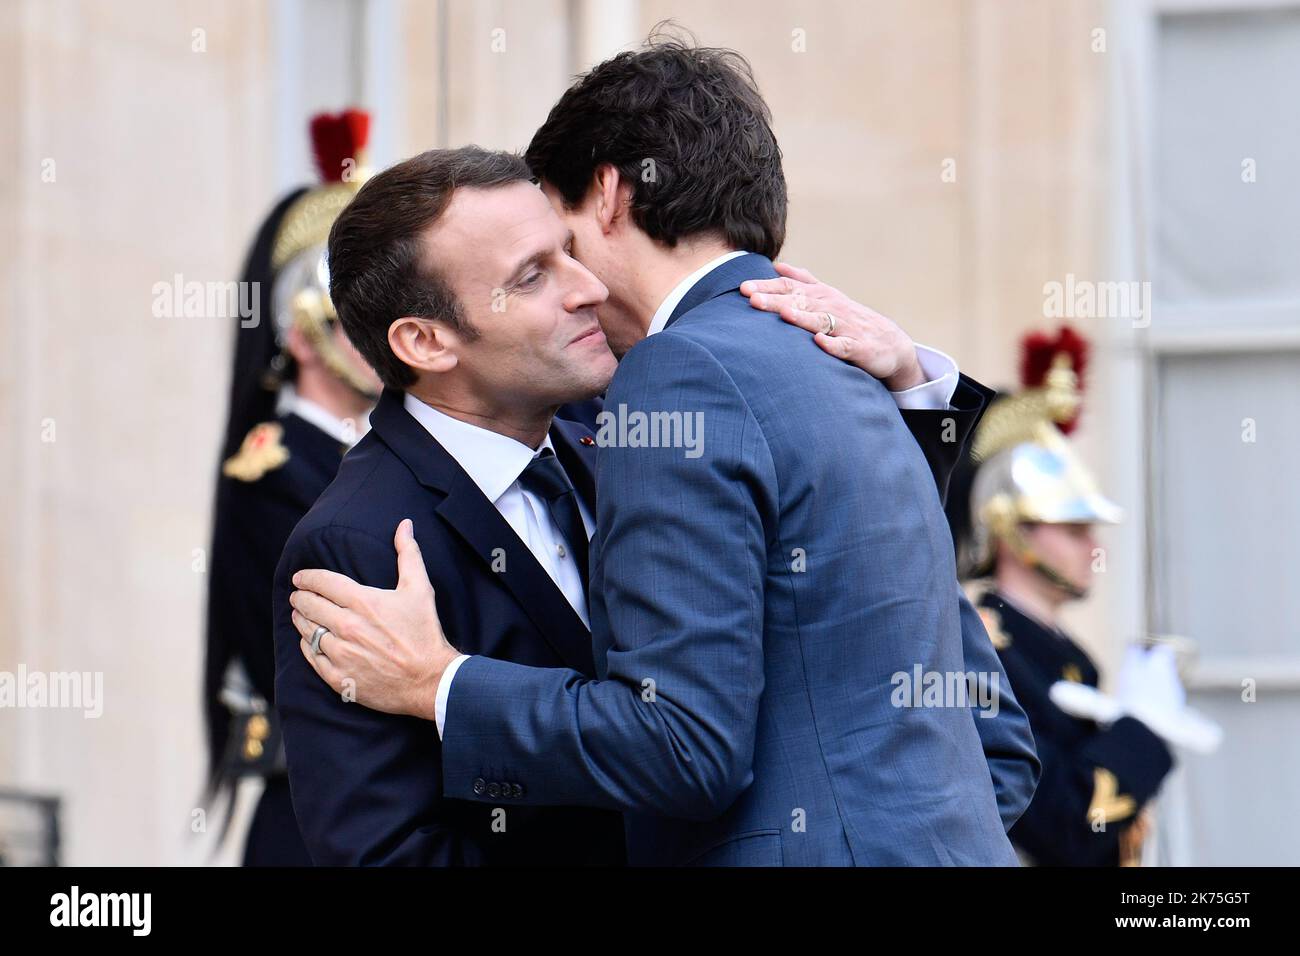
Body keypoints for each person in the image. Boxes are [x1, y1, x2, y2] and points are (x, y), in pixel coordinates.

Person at [285, 38, 1039, 867]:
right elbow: (385, 856)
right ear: (424, 341)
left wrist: (444, 684)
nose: (588, 286)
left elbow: (965, 734)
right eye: (536, 273)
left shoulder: (664, 408)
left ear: (606, 193)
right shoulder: (355, 541)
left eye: (568, 248)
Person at [203, 109, 381, 865]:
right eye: (358, 317)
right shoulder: (270, 471)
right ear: (304, 331)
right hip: (319, 820)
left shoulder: (383, 456)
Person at [961, 326, 1182, 866]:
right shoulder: (982, 650)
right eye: (1074, 528)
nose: (1093, 546)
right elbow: (1064, 824)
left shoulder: (1059, 654)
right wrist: (1141, 733)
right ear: (1012, 530)